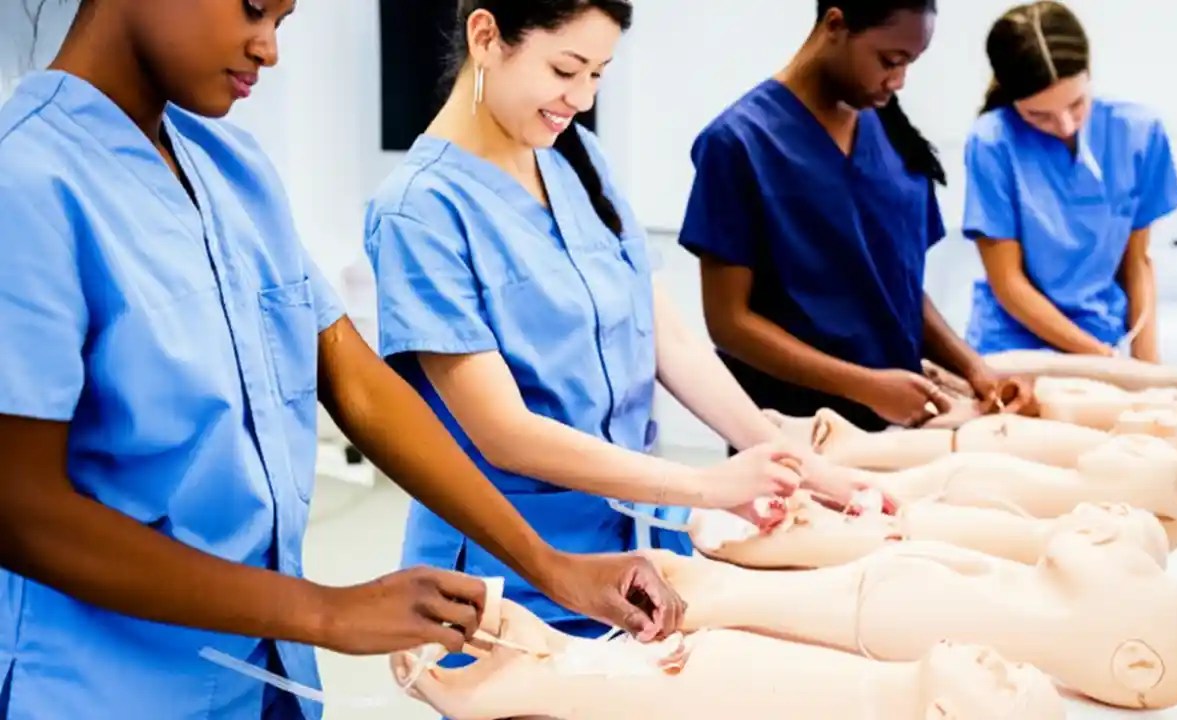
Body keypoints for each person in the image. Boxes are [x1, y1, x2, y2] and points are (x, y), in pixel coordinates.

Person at [0, 1, 686, 718]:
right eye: (253, 8)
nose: (269, 49)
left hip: (257, 672)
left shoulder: (230, 171)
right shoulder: (28, 182)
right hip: (102, 689)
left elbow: (355, 381)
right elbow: (21, 510)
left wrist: (550, 567)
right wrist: (324, 611)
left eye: (284, 19)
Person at [364, 0, 863, 645]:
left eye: (598, 74)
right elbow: (504, 433)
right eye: (565, 70)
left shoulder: (577, 158)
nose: (579, 97)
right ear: (487, 36)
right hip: (507, 573)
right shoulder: (420, 211)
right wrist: (706, 486)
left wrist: (792, 459)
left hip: (631, 553)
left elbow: (669, 340)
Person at [678, 0, 1028, 434]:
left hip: (900, 424)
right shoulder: (741, 144)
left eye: (909, 64)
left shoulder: (890, 134)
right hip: (792, 431)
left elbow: (893, 292)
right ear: (835, 24)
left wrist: (974, 368)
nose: (898, 80)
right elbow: (730, 323)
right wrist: (864, 387)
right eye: (889, 60)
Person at [962, 1, 1177, 362]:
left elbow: (1137, 263)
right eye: (1040, 115)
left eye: (1077, 104)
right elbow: (1008, 284)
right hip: (1011, 346)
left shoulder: (1138, 133)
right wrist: (1098, 357)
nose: (1066, 126)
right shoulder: (991, 143)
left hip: (1102, 336)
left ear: (1089, 73)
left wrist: (1149, 372)